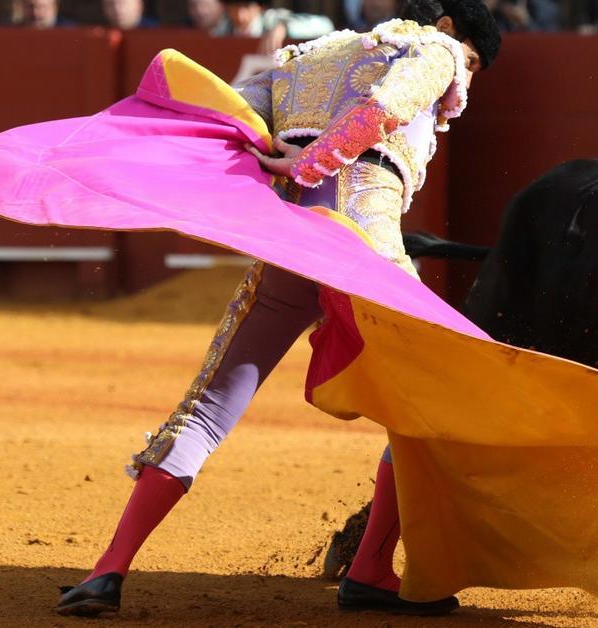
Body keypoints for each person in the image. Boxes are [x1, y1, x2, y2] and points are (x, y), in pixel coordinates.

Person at [49, 0, 500, 617]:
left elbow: (227, 112)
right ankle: (370, 568)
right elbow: (390, 106)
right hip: (360, 242)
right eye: (473, 62)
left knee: (208, 405)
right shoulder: (437, 50)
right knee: (425, 404)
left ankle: (107, 570)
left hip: (290, 236)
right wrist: (312, 161)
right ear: (450, 28)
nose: (465, 78)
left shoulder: (311, 56)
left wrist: (284, 168)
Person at [189, 0, 334, 54]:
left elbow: (325, 24)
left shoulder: (271, 19)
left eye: (246, 6)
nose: (240, 14)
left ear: (259, 7)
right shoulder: (224, 28)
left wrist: (283, 28)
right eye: (235, 7)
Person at [484, 0, 560, 31]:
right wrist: (486, 10)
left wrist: (526, 22)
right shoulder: (494, 5)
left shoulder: (546, 9)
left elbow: (551, 42)